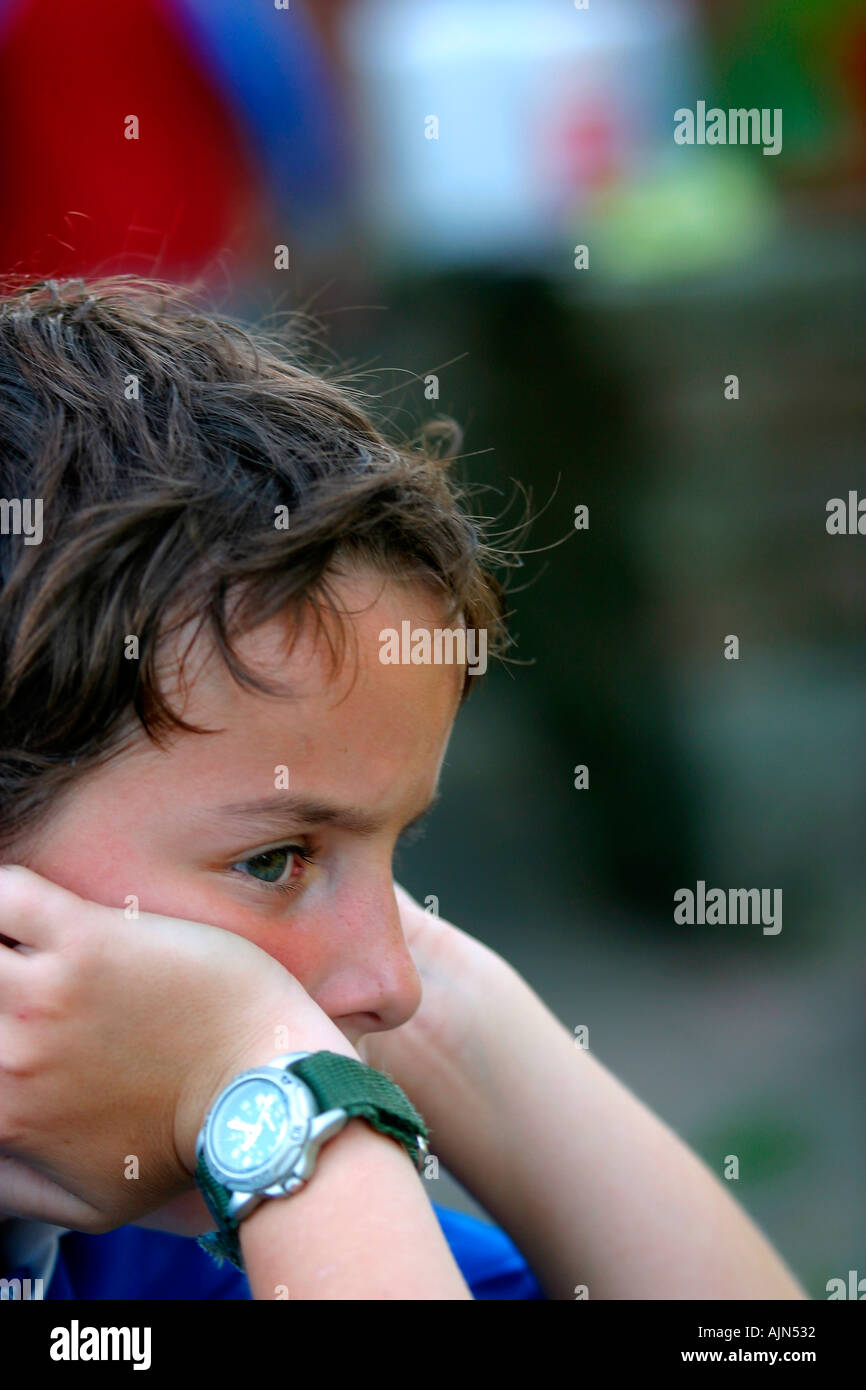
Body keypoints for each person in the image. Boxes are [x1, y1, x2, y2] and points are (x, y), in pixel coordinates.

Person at [0, 275, 807, 1300]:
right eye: (271, 858)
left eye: (395, 856)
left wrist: (460, 1023)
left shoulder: (180, 1246)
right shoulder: (265, 1195)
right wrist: (290, 1101)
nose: (393, 980)